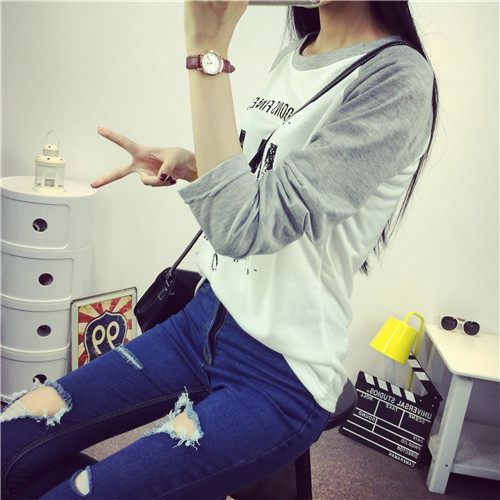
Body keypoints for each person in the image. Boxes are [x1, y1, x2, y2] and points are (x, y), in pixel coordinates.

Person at [1, 1, 438, 498]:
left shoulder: (398, 79)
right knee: (9, 445)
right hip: (201, 323)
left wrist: (206, 51)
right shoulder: (300, 50)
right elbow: (262, 180)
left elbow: (243, 228)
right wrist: (193, 164)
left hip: (281, 371)